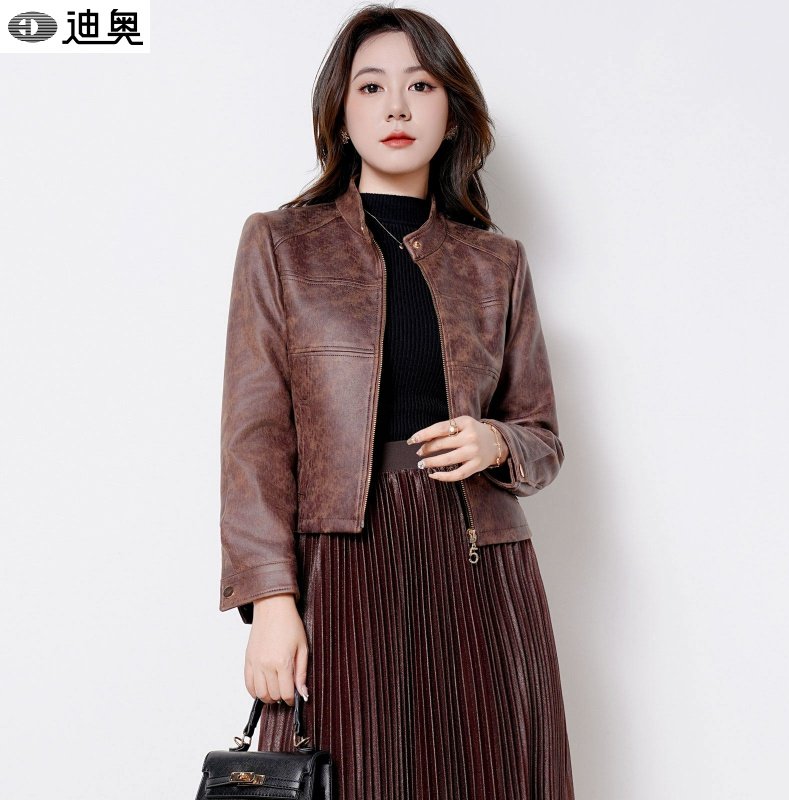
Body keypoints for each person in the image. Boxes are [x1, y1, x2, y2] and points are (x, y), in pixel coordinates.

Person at [218, 5, 574, 798]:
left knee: (483, 773)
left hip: (477, 562)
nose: (398, 108)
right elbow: (254, 437)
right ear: (341, 113)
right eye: (372, 87)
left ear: (452, 111)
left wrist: (496, 442)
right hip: (341, 563)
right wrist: (270, 597)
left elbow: (543, 435)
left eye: (421, 86)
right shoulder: (281, 243)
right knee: (352, 770)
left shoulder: (497, 262)